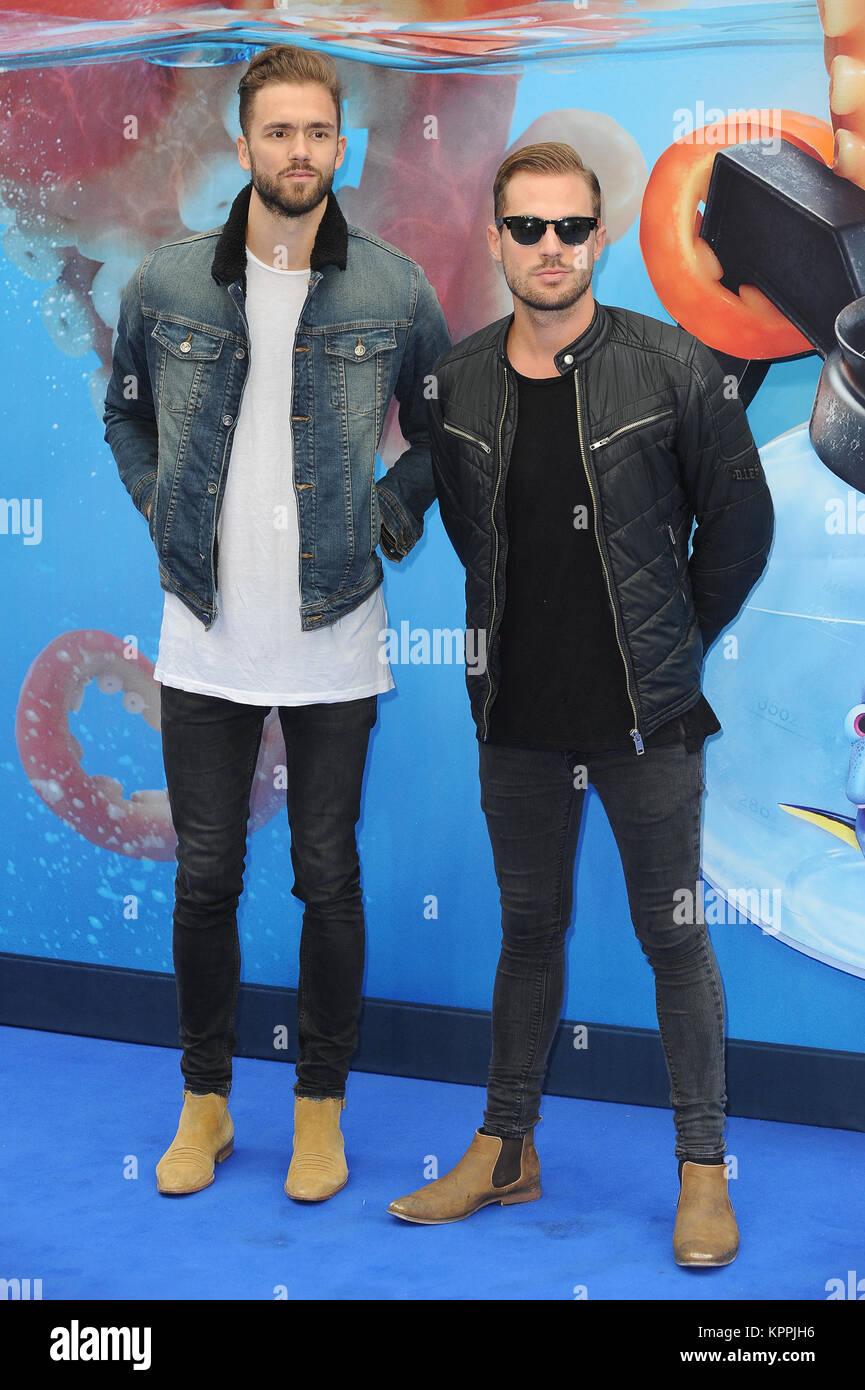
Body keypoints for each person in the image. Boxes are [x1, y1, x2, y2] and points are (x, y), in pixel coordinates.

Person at [387, 141, 773, 1265]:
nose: (549, 248)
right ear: (498, 239)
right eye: (526, 229)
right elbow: (470, 533)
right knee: (525, 935)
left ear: (597, 238)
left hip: (646, 720)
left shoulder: (673, 366)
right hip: (516, 716)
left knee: (674, 939)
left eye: (569, 228)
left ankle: (702, 1170)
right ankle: (507, 1150)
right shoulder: (455, 383)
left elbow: (739, 526)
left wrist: (672, 639)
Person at [103, 44, 449, 1202]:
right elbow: (128, 420)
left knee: (325, 879)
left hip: (336, 632)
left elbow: (445, 426)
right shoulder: (164, 285)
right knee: (205, 879)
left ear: (339, 143)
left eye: (319, 132)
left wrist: (389, 520)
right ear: (243, 145)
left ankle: (318, 1109)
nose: (300, 153)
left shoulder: (394, 289)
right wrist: (160, 508)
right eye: (279, 133)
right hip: (203, 632)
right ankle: (205, 1104)